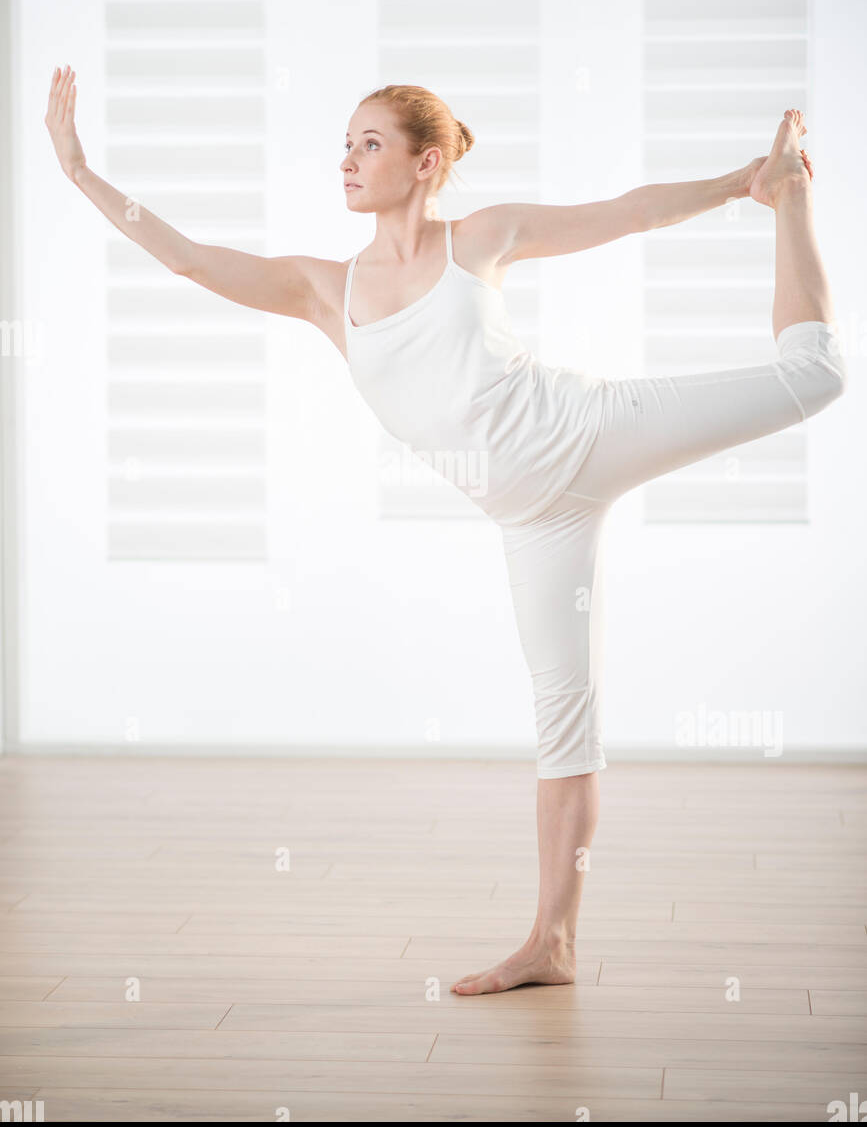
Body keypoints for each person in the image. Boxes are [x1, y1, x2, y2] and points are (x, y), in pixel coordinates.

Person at [45, 70, 846, 995]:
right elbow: (186, 257)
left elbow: (624, 212)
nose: (347, 159)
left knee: (813, 378)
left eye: (369, 143)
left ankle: (791, 198)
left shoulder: (480, 239)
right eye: (345, 142)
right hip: (532, 519)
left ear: (425, 163)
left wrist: (745, 180)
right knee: (563, 728)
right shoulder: (322, 291)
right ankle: (552, 943)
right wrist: (80, 172)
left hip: (590, 430)